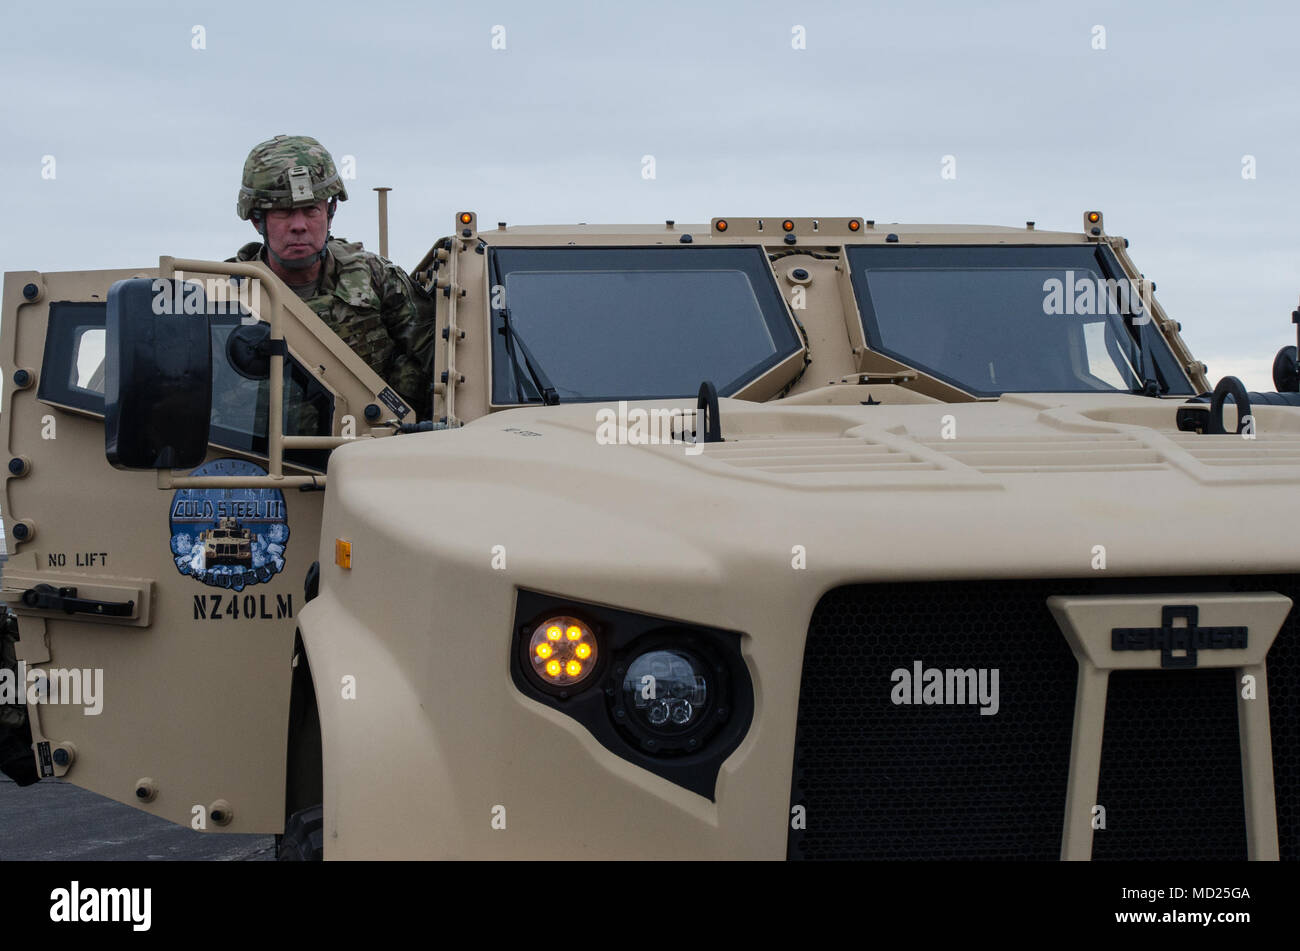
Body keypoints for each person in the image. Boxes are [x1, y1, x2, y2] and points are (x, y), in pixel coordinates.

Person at [230, 134, 436, 420]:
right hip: (260, 458)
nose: (299, 226)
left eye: (311, 210)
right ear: (257, 221)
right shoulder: (228, 295)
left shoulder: (375, 278)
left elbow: (439, 361)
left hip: (373, 449)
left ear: (330, 212)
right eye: (283, 213)